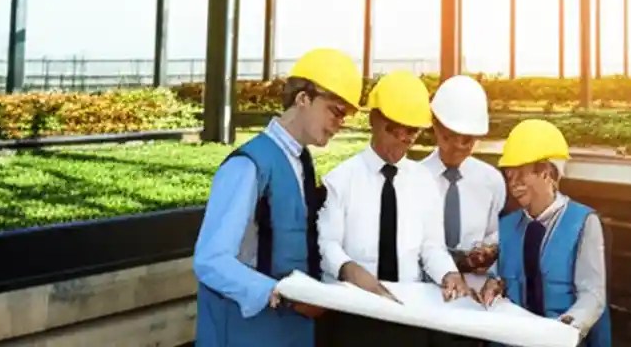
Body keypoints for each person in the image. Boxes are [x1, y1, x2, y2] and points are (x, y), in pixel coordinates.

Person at [193, 47, 363, 347]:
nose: (340, 123)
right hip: (246, 334)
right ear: (303, 99)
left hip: (291, 332)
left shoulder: (302, 162)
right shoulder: (248, 166)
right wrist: (281, 294)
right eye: (336, 111)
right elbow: (211, 260)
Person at [317, 70, 472, 345]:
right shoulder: (340, 180)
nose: (403, 138)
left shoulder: (423, 181)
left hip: (407, 313)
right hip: (354, 311)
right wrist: (350, 269)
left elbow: (432, 247)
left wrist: (448, 273)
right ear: (374, 120)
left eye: (411, 132)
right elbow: (327, 243)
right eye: (394, 129)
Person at [479, 119, 611, 347]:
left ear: (547, 173)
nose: (513, 184)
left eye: (521, 174)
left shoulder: (584, 223)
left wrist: (563, 330)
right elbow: (495, 278)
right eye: (509, 175)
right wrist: (492, 284)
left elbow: (592, 295)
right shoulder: (505, 226)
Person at [420, 75, 505, 274]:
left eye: (467, 140)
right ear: (435, 127)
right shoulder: (415, 179)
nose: (457, 147)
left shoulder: (491, 181)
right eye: (449, 137)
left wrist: (487, 252)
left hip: (474, 284)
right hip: (423, 281)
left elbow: (495, 233)